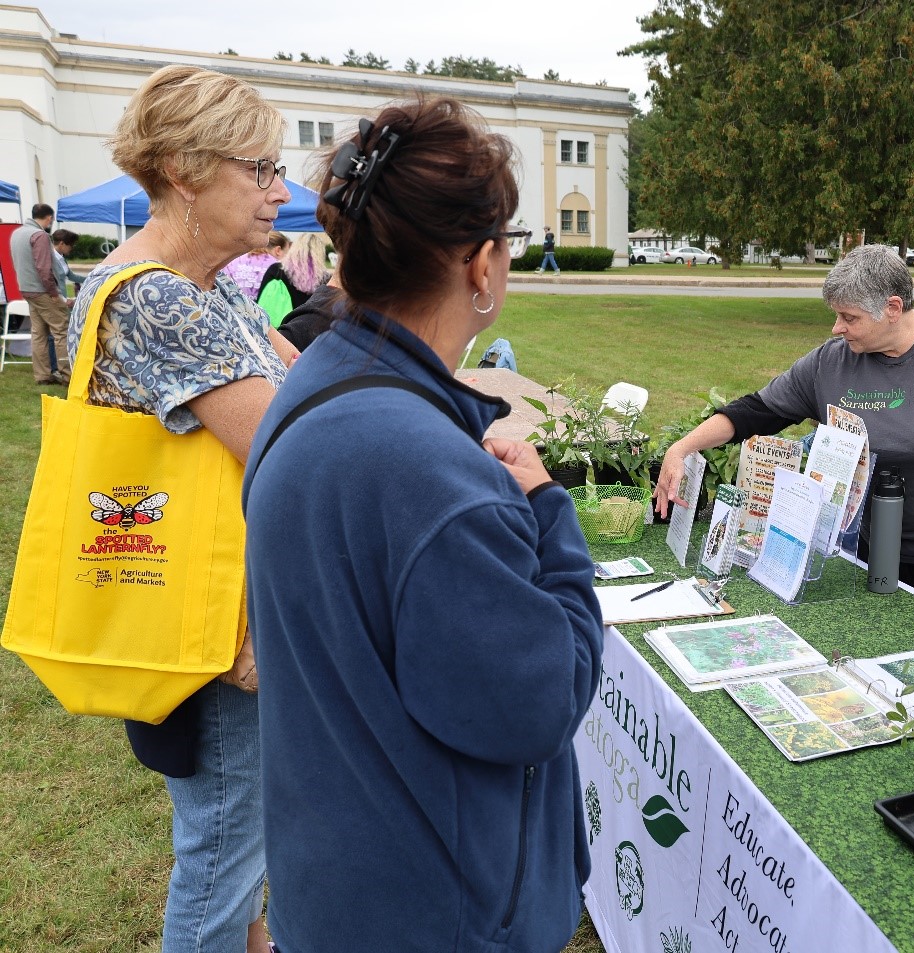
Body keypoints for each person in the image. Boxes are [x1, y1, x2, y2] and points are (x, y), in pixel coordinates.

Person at [242, 98, 601, 953]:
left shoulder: (315, 382)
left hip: (334, 876)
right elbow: (538, 702)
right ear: (481, 266)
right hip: (430, 909)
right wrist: (550, 512)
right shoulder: (430, 476)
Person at [68, 63, 297, 953]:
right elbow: (294, 445)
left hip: (194, 598)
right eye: (262, 169)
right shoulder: (163, 298)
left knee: (234, 834)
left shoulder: (204, 284)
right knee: (223, 846)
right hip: (212, 624)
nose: (279, 190)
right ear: (188, 170)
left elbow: (306, 374)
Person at [655, 243, 914, 599]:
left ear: (892, 308)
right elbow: (755, 411)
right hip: (869, 554)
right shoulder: (830, 364)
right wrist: (682, 448)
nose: (837, 328)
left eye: (849, 318)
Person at [9, 202, 72, 385]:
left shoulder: (17, 233)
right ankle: (67, 375)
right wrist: (53, 292)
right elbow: (44, 268)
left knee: (38, 333)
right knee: (62, 330)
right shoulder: (40, 236)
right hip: (42, 290)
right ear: (49, 218)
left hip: (27, 289)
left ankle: (43, 375)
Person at [255, 231, 328, 326]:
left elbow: (262, 299)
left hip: (280, 330)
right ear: (320, 253)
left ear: (294, 248)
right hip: (310, 331)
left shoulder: (277, 270)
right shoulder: (326, 279)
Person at [220, 230, 286, 299]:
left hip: (233, 306)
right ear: (278, 250)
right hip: (264, 308)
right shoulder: (278, 267)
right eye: (287, 252)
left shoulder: (233, 261)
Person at [50, 228, 85, 294]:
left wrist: (91, 279)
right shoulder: (50, 259)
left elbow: (72, 276)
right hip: (56, 299)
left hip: (63, 297)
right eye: (71, 245)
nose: (72, 248)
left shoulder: (61, 258)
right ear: (62, 243)